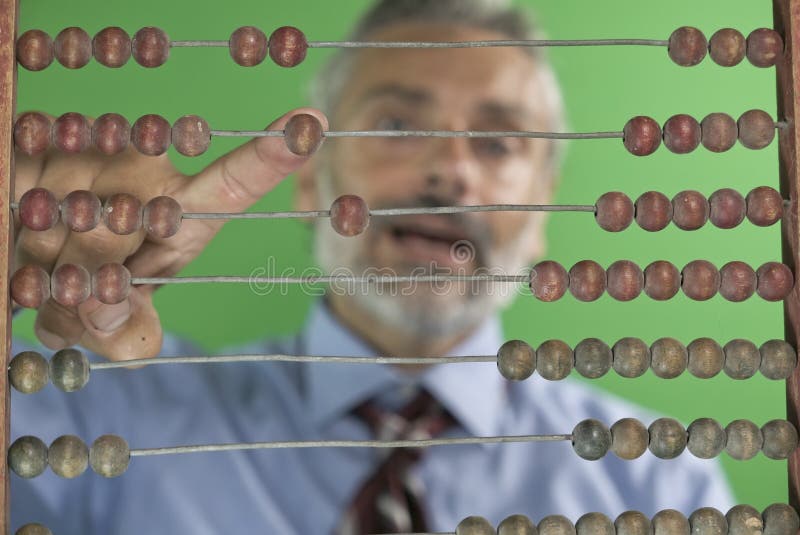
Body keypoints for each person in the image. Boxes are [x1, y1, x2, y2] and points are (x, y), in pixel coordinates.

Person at [11, 1, 734, 533]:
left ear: (543, 211)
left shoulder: (658, 481)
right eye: (395, 124)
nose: (450, 171)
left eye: (498, 143)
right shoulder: (103, 413)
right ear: (308, 181)